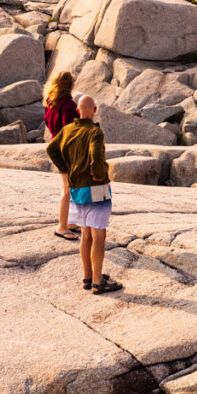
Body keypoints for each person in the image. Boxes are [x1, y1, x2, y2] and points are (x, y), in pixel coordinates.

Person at [46, 94, 122, 295]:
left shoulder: (68, 130)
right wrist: (98, 174)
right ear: (94, 110)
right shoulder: (94, 132)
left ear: (78, 110)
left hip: (76, 189)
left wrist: (66, 168)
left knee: (85, 233)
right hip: (95, 188)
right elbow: (96, 154)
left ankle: (88, 277)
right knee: (99, 234)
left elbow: (51, 148)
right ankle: (98, 282)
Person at [43, 71, 80, 241]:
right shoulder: (68, 105)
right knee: (67, 190)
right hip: (66, 150)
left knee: (70, 188)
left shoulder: (50, 102)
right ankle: (62, 227)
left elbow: (47, 122)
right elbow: (69, 129)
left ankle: (70, 222)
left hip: (55, 146)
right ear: (70, 85)